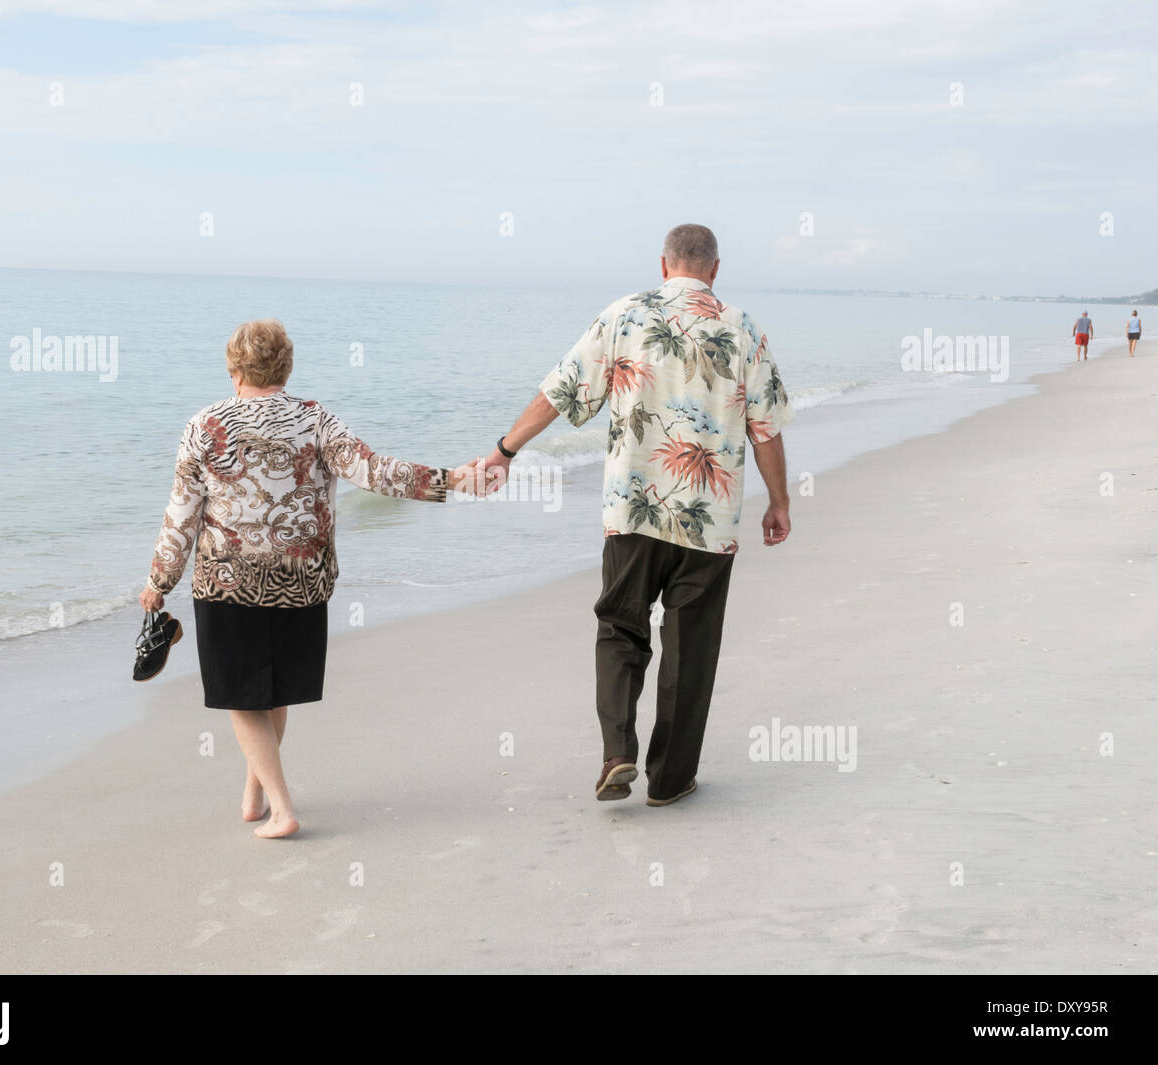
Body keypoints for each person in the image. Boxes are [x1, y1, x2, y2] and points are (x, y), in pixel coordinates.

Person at [477, 224, 794, 806]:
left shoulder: (624, 314)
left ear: (664, 264)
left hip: (634, 511)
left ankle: (617, 753)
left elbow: (562, 391)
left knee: (621, 628)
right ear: (715, 270)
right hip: (710, 518)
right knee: (691, 645)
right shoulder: (742, 326)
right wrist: (779, 500)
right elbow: (765, 428)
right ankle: (670, 780)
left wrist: (504, 450)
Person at [140, 319, 481, 838]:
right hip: (302, 581)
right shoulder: (314, 419)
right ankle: (255, 794)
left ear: (234, 371)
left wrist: (159, 582)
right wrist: (448, 480)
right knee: (272, 691)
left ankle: (282, 809)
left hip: (228, 584)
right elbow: (374, 471)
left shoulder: (204, 425)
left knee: (241, 696)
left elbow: (182, 513)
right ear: (286, 367)